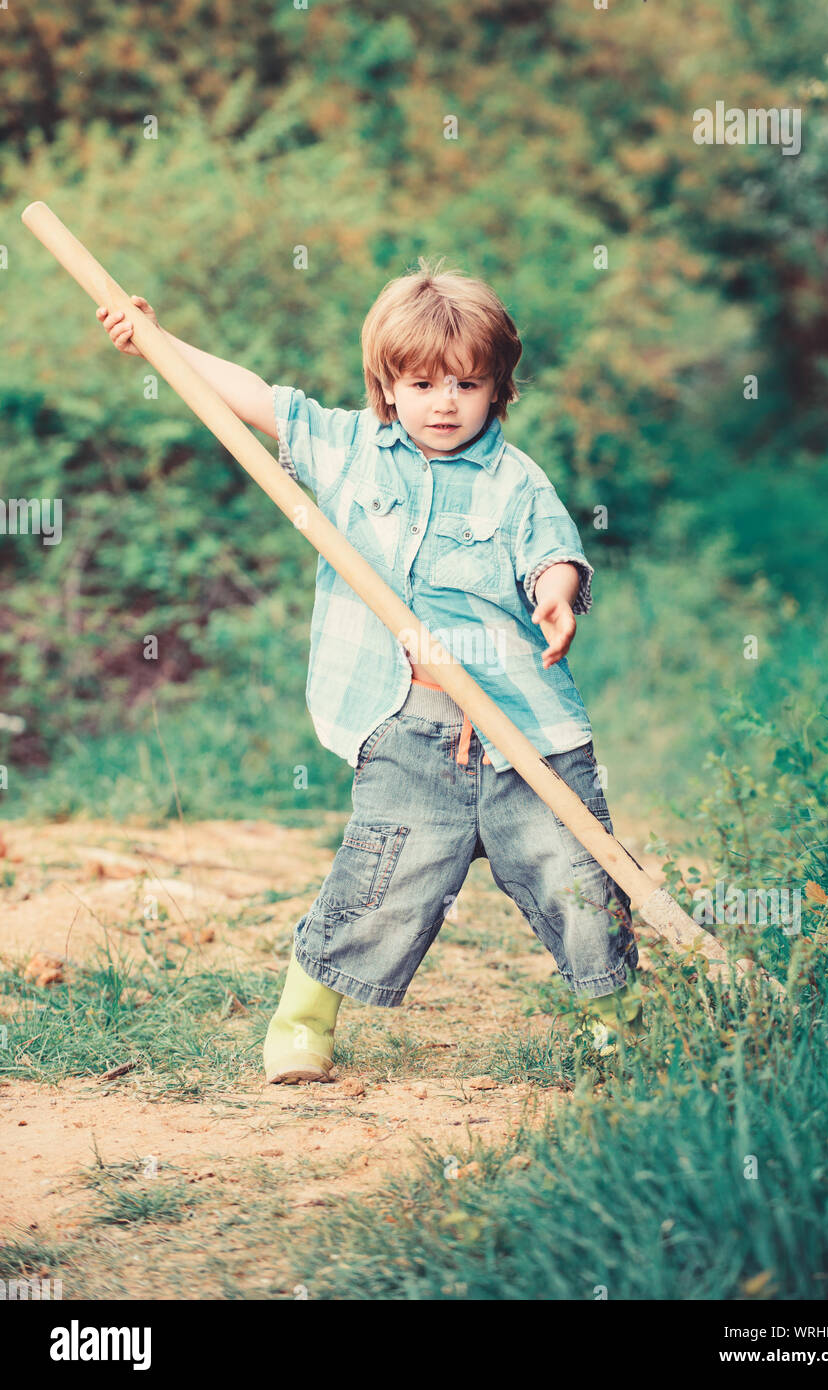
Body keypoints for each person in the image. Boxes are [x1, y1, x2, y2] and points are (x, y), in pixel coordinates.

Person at [96, 257, 644, 1085]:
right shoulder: (348, 449)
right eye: (422, 383)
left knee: (579, 877)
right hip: (410, 730)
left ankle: (618, 1025)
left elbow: (552, 555)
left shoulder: (516, 481)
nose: (445, 402)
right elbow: (252, 398)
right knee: (384, 878)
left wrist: (558, 597)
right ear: (387, 385)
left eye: (467, 383)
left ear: (499, 388)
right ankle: (303, 1021)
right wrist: (158, 339)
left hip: (527, 728)